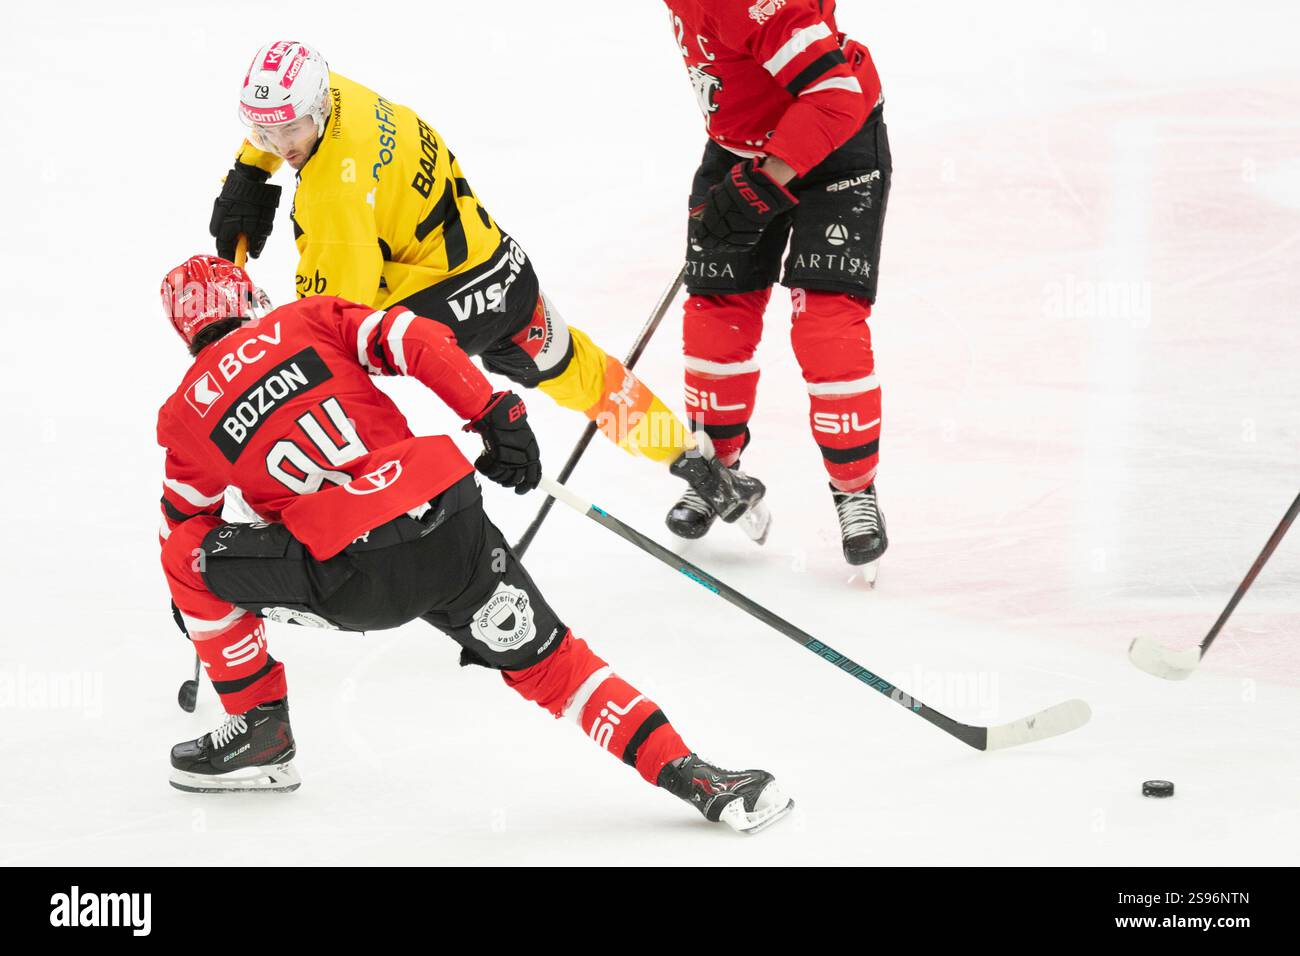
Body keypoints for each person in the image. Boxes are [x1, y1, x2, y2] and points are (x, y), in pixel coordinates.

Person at [154, 254, 792, 834]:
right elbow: (419, 340)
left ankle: (262, 731)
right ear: (249, 298)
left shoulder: (184, 412)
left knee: (187, 560)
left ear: (187, 334)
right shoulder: (308, 318)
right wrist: (493, 413)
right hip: (448, 522)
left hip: (354, 577)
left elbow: (182, 523)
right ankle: (696, 774)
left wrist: (205, 612)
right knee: (552, 664)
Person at [208, 40, 763, 531]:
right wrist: (250, 170)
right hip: (502, 271)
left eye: (289, 130)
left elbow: (332, 322)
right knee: (582, 373)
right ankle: (693, 461)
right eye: (263, 131)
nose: (279, 143)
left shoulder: (333, 200)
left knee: (324, 371)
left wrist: (264, 351)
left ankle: (316, 499)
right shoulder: (341, 93)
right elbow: (283, 121)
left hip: (441, 309)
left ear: (320, 108)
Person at [660, 0, 891, 571]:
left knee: (825, 327)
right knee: (715, 320)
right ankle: (715, 472)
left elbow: (836, 94)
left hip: (838, 148)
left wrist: (766, 179)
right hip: (740, 147)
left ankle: (855, 491)